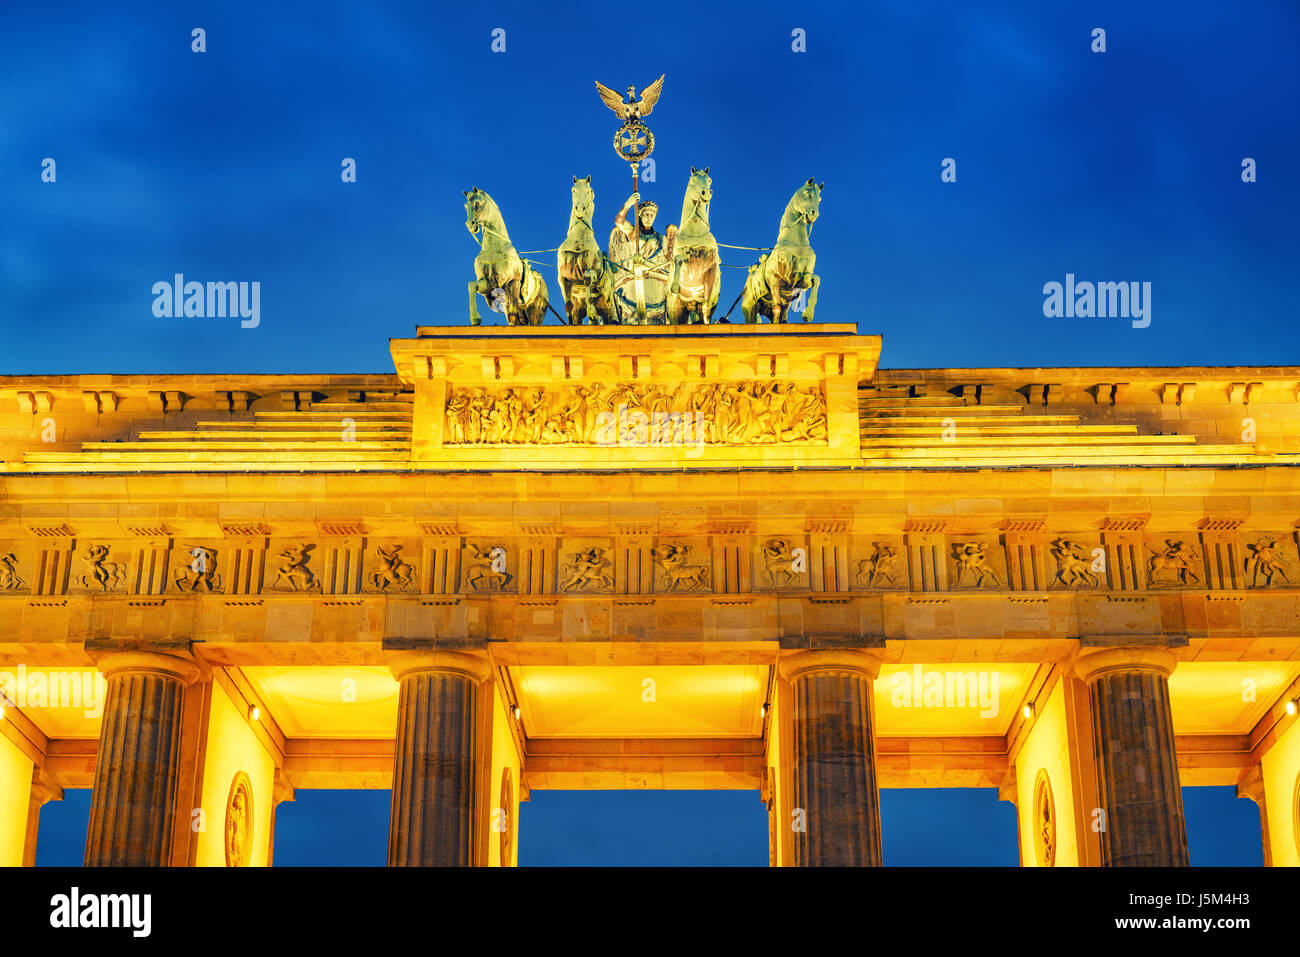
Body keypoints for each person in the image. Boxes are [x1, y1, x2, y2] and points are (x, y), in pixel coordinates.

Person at [608, 192, 676, 324]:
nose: (649, 218)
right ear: (640, 215)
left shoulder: (661, 238)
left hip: (657, 274)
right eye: (646, 215)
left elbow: (670, 258)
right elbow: (619, 221)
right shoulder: (634, 233)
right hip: (634, 274)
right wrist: (628, 204)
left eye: (652, 215)